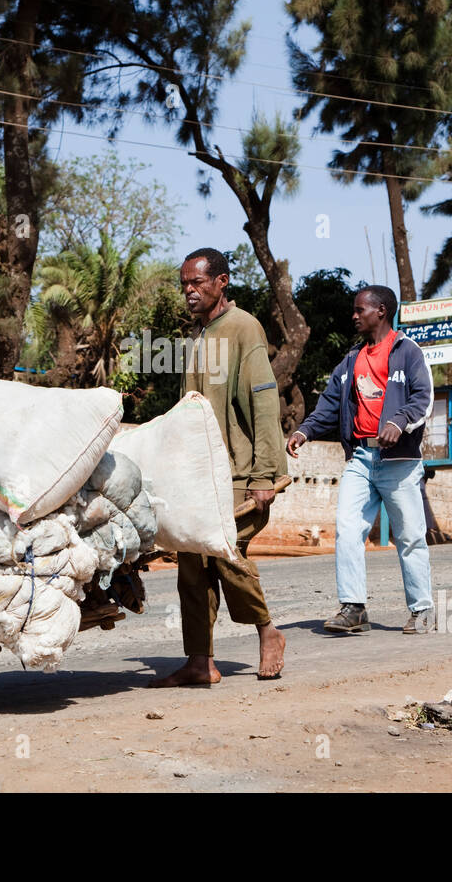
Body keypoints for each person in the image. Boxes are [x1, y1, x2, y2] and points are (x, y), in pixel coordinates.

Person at [151, 247, 287, 687]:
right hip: (197, 475)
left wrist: (265, 474)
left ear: (222, 282)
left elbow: (264, 401)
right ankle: (199, 660)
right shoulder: (195, 337)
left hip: (239, 473)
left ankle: (268, 631)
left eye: (198, 283)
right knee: (192, 565)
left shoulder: (244, 328)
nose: (189, 291)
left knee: (228, 555)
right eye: (185, 284)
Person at [286, 286, 435, 635]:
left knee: (410, 535)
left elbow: (423, 399)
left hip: (399, 461)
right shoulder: (351, 360)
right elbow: (330, 404)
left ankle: (422, 610)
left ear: (381, 311)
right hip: (361, 458)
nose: (354, 315)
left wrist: (399, 422)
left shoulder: (408, 352)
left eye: (360, 310)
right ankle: (353, 608)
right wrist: (304, 431)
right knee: (348, 528)